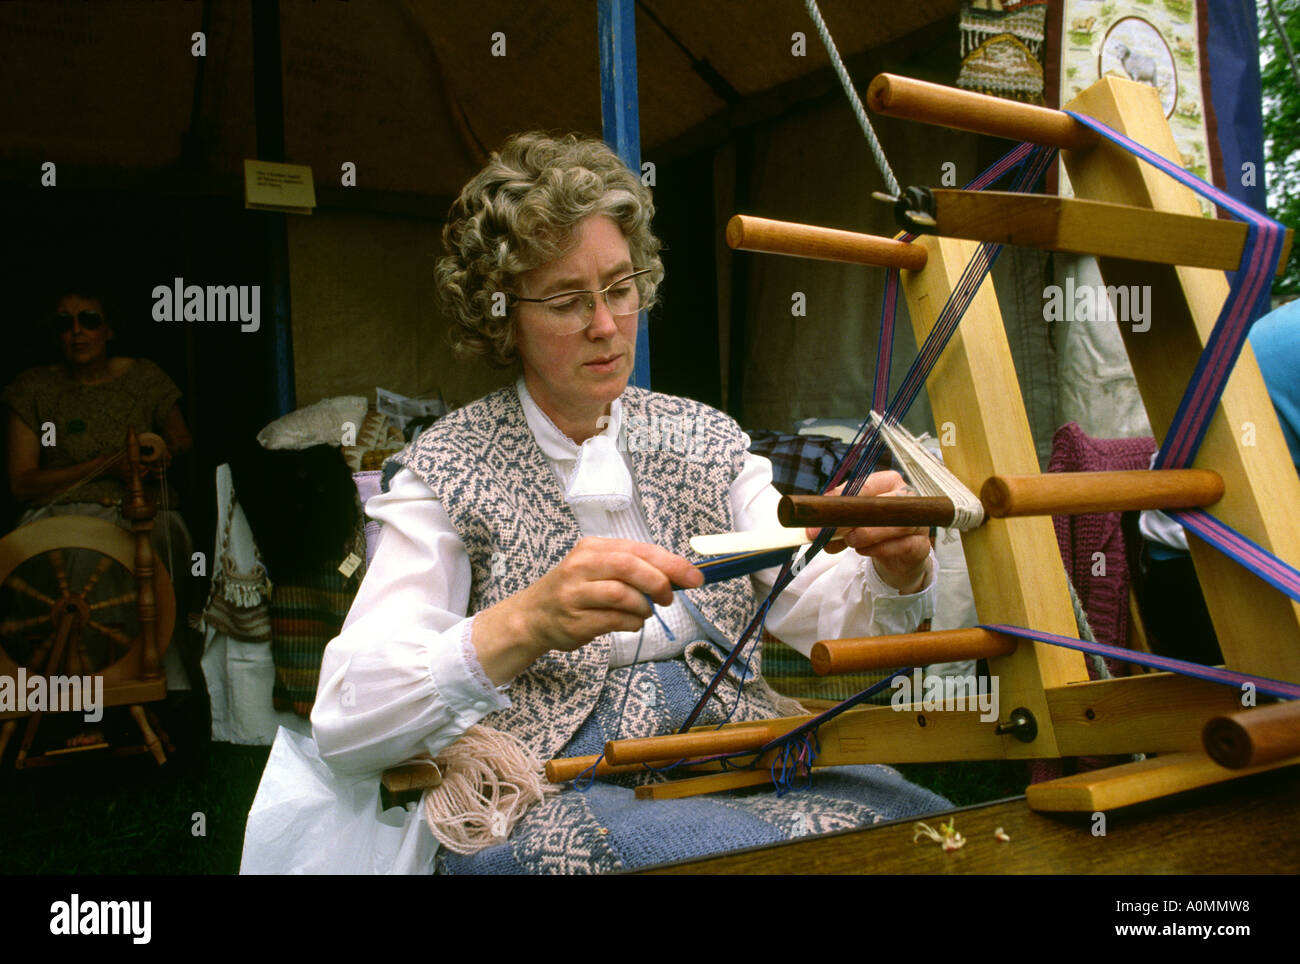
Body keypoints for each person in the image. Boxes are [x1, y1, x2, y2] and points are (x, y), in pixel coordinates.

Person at [246, 133, 949, 875]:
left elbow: (813, 607)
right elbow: (348, 718)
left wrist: (892, 568)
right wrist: (525, 621)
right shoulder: (443, 472)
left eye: (619, 287)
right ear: (501, 315)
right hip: (551, 782)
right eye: (565, 301)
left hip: (738, 752)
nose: (606, 325)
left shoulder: (708, 440)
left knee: (925, 837)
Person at [3, 286, 196, 695]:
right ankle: (70, 686)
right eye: (64, 323)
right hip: (62, 514)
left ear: (109, 329)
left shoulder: (145, 378)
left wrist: (154, 454)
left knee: (158, 549)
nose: (77, 331)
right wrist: (107, 465)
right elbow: (21, 481)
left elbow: (182, 442)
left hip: (140, 507)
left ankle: (161, 680)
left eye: (89, 320)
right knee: (68, 557)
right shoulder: (33, 387)